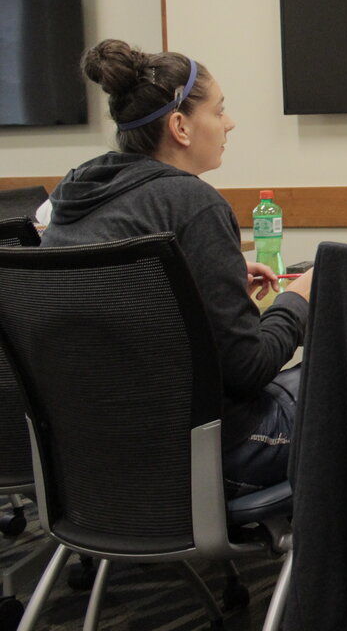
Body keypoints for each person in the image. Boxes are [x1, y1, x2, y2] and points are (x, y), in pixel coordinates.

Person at [41, 40, 313, 495]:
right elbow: (248, 369)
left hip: (87, 460)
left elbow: (125, 322)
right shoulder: (192, 203)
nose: (230, 123)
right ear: (181, 126)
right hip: (203, 459)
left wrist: (201, 282)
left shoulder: (75, 198)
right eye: (219, 110)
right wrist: (298, 302)